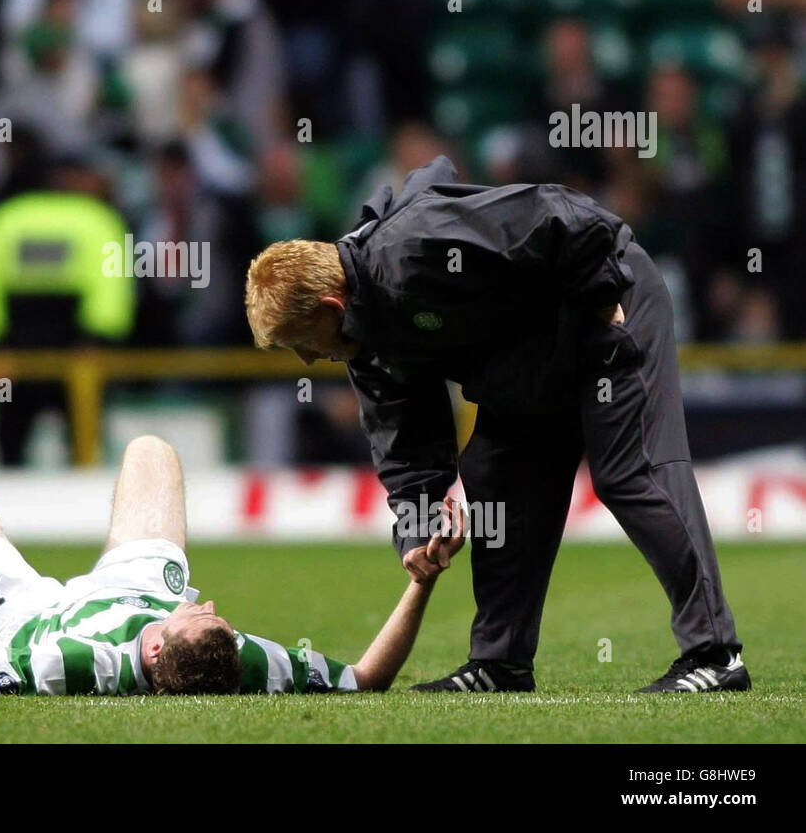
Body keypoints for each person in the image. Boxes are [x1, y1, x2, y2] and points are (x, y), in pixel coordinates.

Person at [244, 154, 748, 694]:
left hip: (610, 304)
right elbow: (405, 447)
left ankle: (715, 653)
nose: (304, 360)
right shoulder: (362, 342)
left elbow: (561, 214)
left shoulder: (415, 245)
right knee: (498, 482)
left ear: (328, 304)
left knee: (632, 474)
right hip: (529, 357)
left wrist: (602, 297)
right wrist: (418, 527)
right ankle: (500, 663)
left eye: (300, 342)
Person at [0, 436, 463, 696]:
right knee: (152, 453)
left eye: (204, 613)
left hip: (22, 617)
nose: (212, 606)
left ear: (160, 646)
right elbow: (366, 679)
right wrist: (419, 583)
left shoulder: (67, 662)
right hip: (128, 590)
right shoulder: (234, 663)